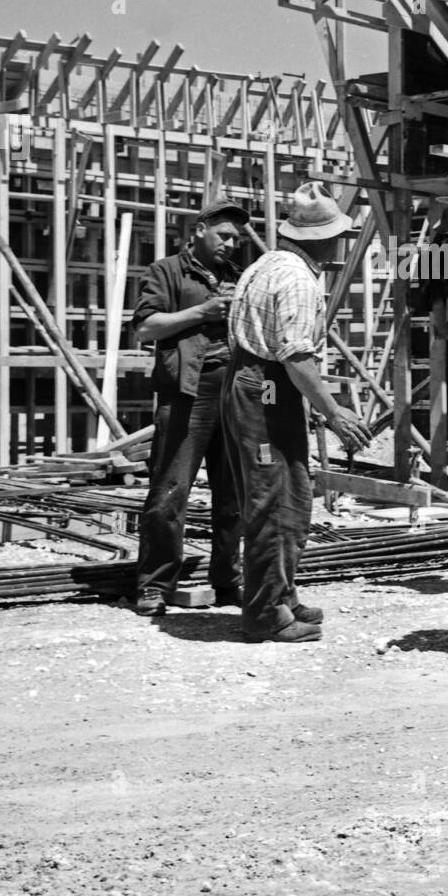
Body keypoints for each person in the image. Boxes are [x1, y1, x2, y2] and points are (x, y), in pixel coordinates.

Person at [223, 182, 372, 643]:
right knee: (271, 499)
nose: (340, 245)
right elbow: (295, 356)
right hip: (265, 388)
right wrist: (335, 413)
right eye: (336, 236)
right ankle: (264, 612)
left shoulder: (268, 262)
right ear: (320, 239)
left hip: (256, 384)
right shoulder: (297, 280)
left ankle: (280, 593)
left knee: (292, 493)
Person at [131, 199, 250, 617]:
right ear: (199, 230)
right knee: (170, 491)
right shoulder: (166, 272)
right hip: (187, 392)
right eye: (224, 235)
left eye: (237, 238)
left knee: (233, 494)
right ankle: (155, 586)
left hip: (233, 391)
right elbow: (145, 328)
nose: (232, 244)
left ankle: (227, 580)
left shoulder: (236, 277)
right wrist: (203, 311)